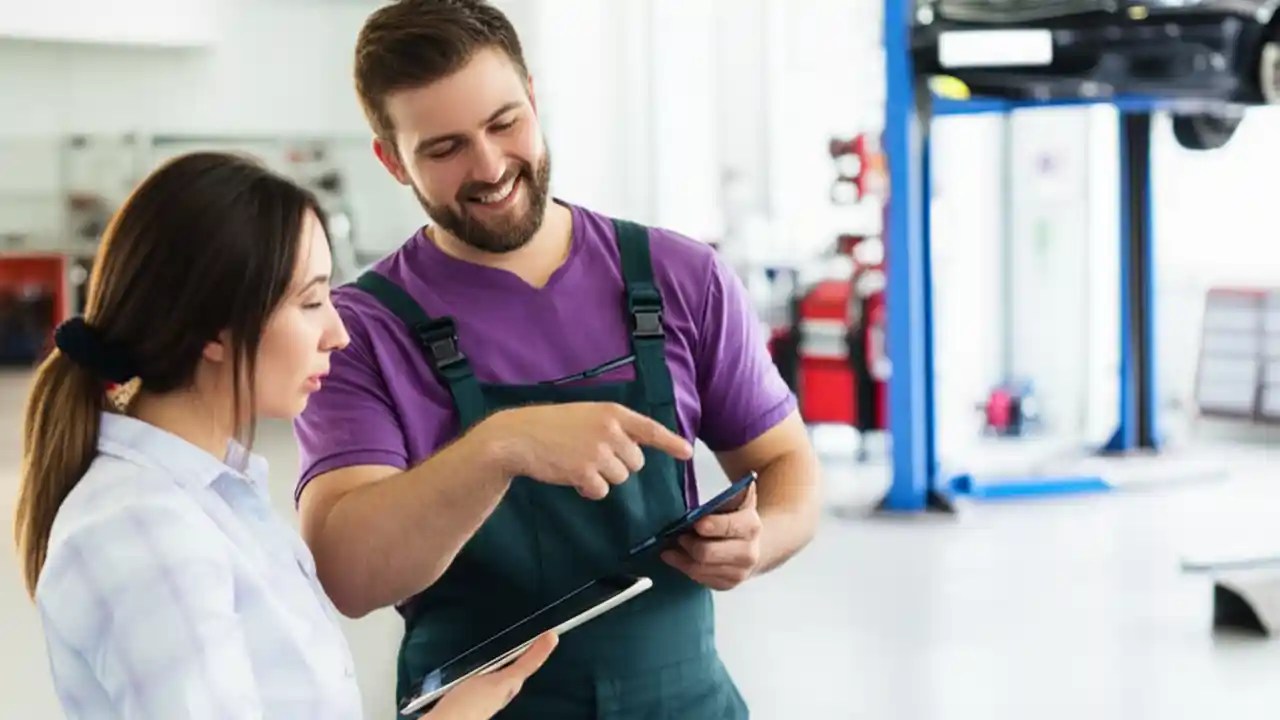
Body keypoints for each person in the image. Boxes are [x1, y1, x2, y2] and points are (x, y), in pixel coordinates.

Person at [294, 1, 825, 717]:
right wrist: (501, 447)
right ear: (391, 160)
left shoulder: (680, 278)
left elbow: (789, 465)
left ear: (535, 100)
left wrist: (758, 542)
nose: (489, 167)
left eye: (504, 123)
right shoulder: (360, 331)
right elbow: (350, 577)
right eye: (444, 148)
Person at [13, 151, 557, 720]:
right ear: (214, 329)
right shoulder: (144, 531)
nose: (338, 333)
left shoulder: (212, 497)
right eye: (311, 301)